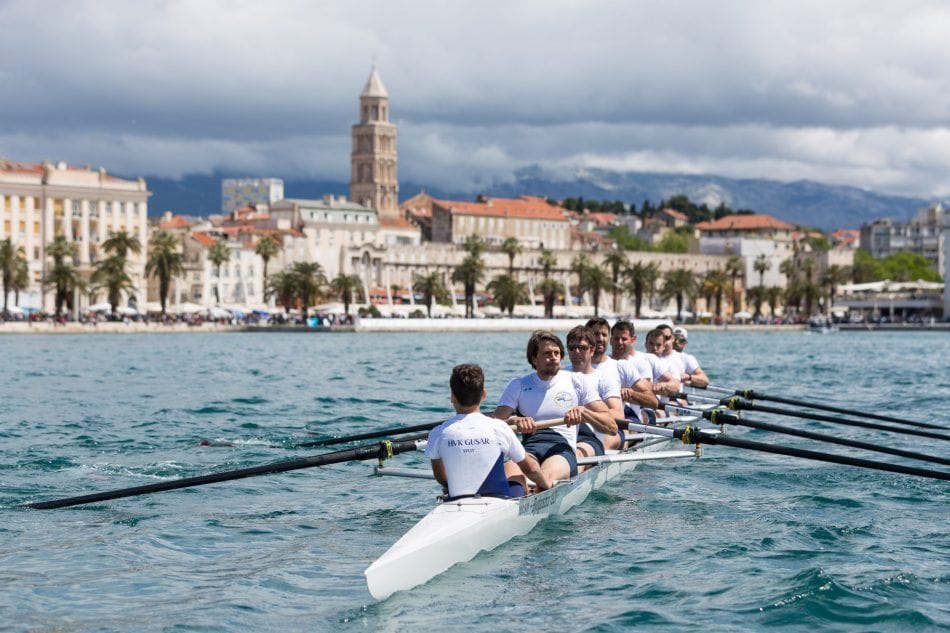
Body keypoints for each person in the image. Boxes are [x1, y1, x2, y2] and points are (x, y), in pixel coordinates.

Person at [494, 330, 616, 483]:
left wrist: (584, 412)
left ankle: (539, 488)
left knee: (545, 477)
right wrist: (513, 421)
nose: (553, 357)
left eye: (556, 353)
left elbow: (612, 427)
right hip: (528, 449)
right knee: (509, 473)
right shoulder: (518, 385)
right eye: (547, 353)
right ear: (534, 358)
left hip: (562, 449)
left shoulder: (576, 381)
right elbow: (494, 428)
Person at [427, 363, 551, 499]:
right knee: (519, 477)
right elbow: (531, 469)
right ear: (484, 395)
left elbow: (441, 477)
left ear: (452, 397)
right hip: (498, 503)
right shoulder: (499, 428)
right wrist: (547, 485)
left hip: (458, 501)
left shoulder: (438, 433)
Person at [565, 325, 623, 458]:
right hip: (564, 430)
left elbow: (618, 416)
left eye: (582, 348)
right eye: (572, 348)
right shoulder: (560, 375)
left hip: (595, 432)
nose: (577, 352)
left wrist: (585, 413)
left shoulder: (604, 378)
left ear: (592, 350)